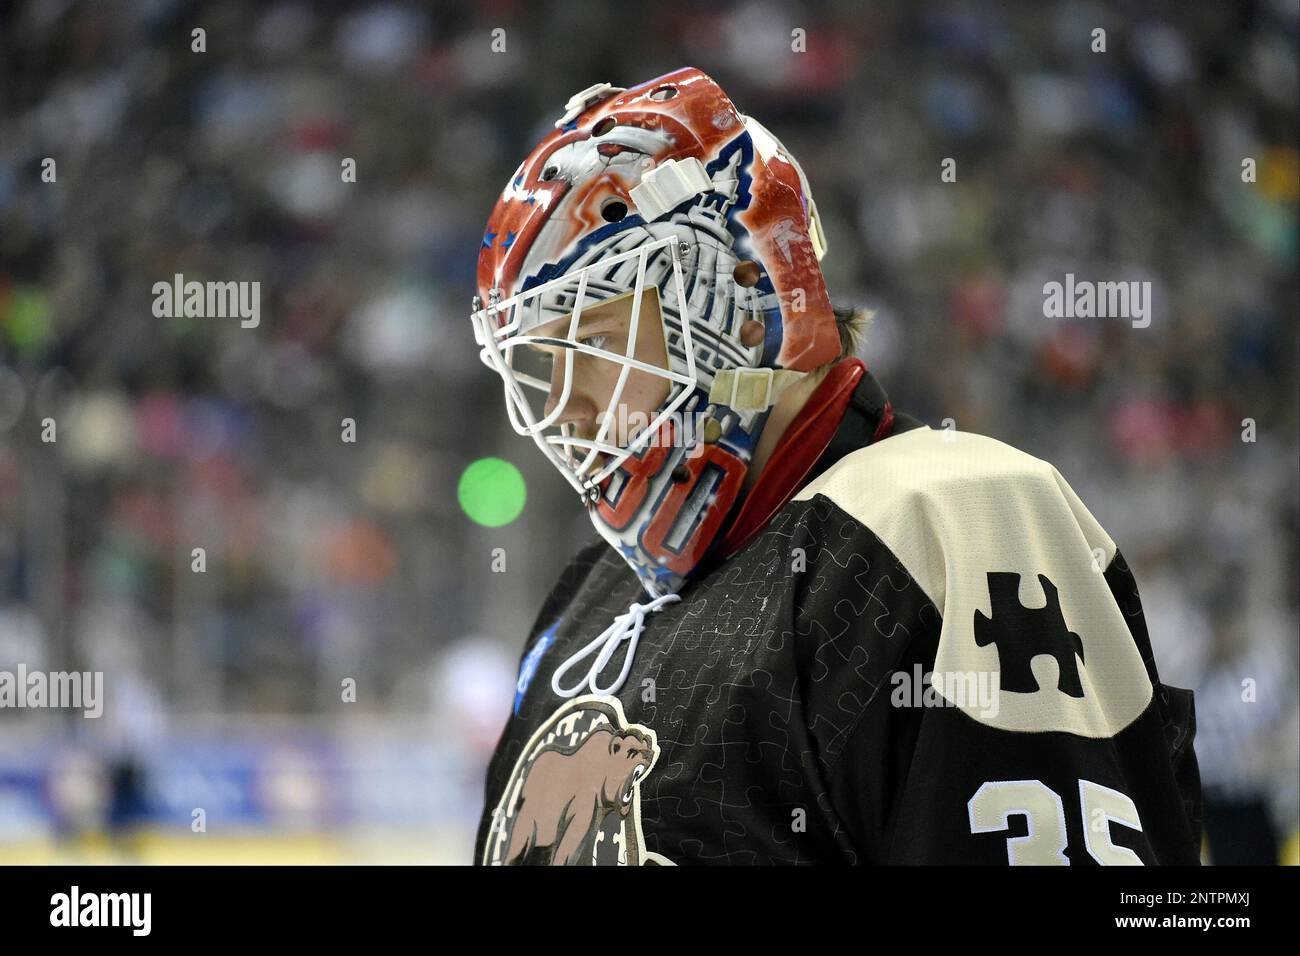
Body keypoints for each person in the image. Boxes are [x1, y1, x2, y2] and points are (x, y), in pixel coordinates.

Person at [468, 67, 1203, 865]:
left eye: (600, 344)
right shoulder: (587, 601)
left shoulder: (945, 517)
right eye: (544, 366)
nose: (567, 410)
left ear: (741, 295)